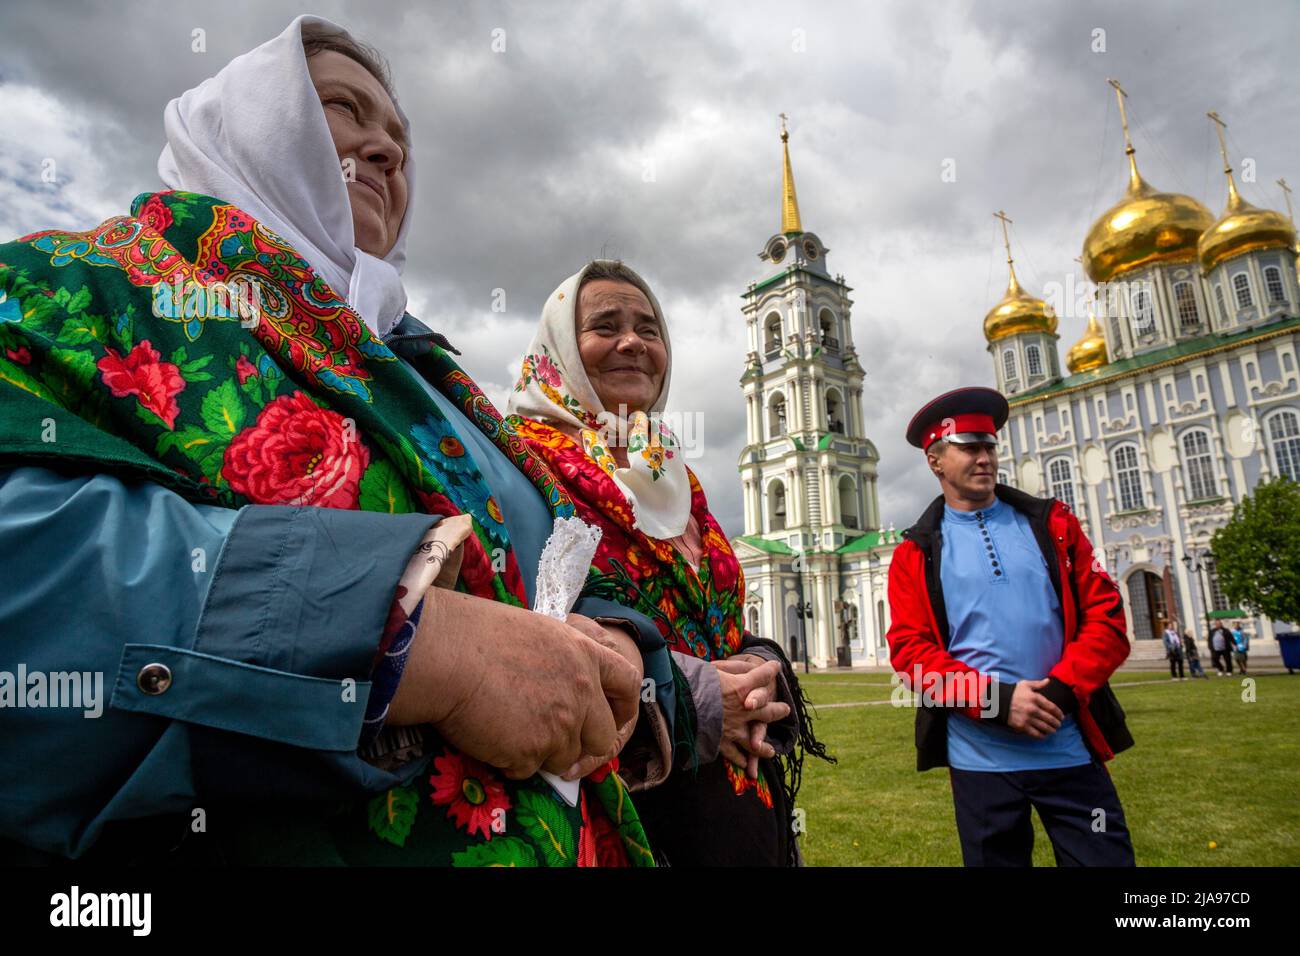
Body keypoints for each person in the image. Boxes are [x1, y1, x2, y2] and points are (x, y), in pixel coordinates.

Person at [0, 16, 761, 866]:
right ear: (249, 117)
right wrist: (414, 649)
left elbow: (538, 580)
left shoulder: (427, 376)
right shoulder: (63, 290)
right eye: (342, 108)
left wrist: (619, 645)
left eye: (398, 137)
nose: (386, 149)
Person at [505, 260, 830, 865]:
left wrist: (761, 666)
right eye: (605, 326)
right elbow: (526, 635)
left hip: (737, 802)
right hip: (624, 803)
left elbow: (718, 618)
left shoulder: (672, 473)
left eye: (649, 329)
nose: (633, 342)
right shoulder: (521, 464)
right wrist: (698, 696)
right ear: (559, 348)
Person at [886, 386, 1135, 866]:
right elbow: (911, 653)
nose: (985, 458)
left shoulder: (1054, 526)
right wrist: (1000, 703)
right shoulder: (913, 554)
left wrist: (1059, 694)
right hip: (981, 765)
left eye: (990, 446)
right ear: (935, 461)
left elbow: (1107, 619)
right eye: (969, 447)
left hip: (1069, 751)